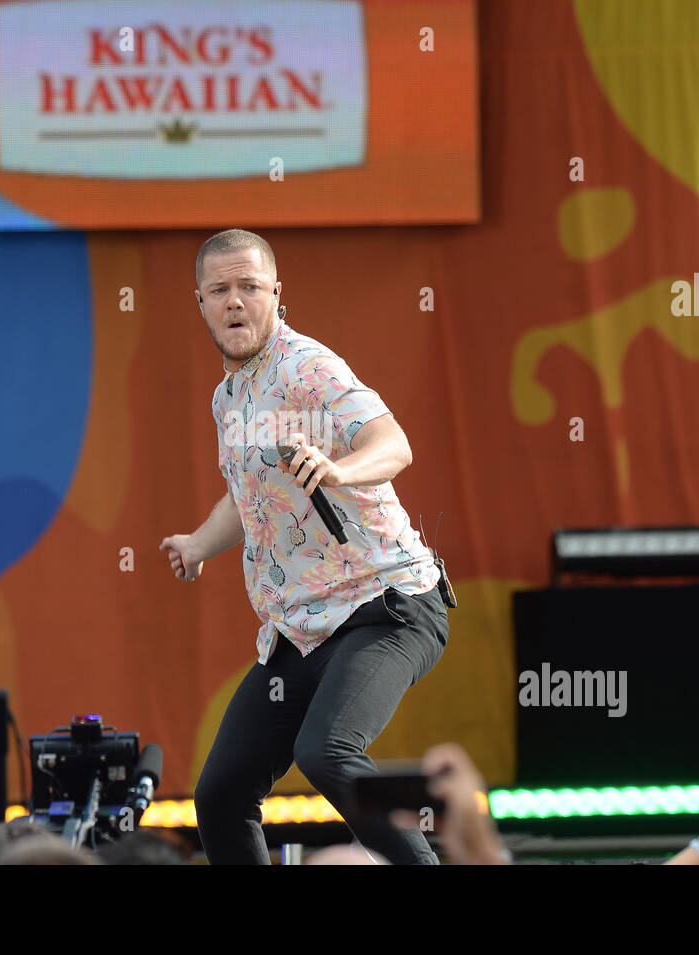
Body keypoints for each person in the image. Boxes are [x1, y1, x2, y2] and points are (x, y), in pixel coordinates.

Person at [160, 228, 449, 865]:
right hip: (300, 629)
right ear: (201, 303)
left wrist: (340, 469)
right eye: (220, 290)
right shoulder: (228, 397)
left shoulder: (308, 367)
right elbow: (247, 497)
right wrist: (198, 544)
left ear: (276, 295)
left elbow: (393, 444)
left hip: (386, 606)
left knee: (327, 752)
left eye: (250, 287)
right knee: (220, 792)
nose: (235, 301)